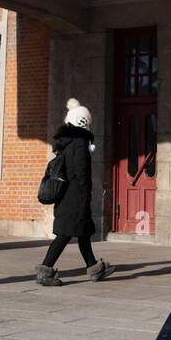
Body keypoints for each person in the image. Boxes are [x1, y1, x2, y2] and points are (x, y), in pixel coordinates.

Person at [36, 98, 114, 287]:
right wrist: (86, 195)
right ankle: (45, 271)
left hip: (67, 196)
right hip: (75, 197)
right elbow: (81, 174)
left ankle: (94, 268)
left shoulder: (68, 142)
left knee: (83, 232)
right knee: (64, 234)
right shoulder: (80, 143)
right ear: (84, 122)